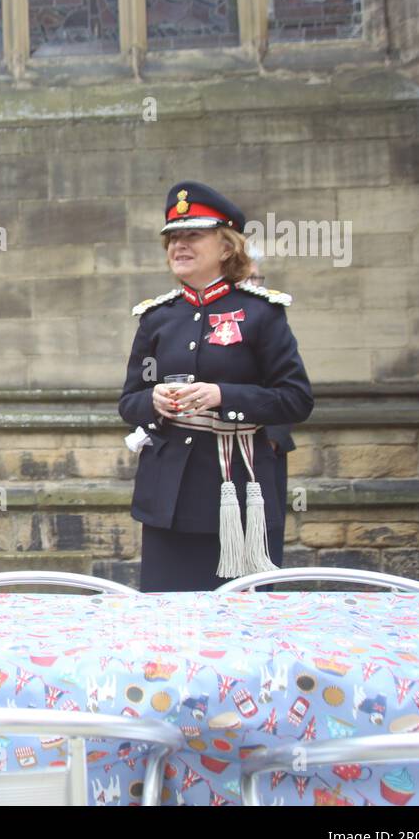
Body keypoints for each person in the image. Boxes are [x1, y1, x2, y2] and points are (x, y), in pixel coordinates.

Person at [120, 182, 313, 591]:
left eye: (192, 235)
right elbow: (129, 402)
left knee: (244, 622)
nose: (179, 245)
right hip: (169, 497)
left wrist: (223, 396)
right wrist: (152, 401)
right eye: (172, 237)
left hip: (241, 495)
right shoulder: (157, 318)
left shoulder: (262, 314)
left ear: (227, 247)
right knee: (167, 619)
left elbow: (296, 399)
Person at [248, 250, 297, 516]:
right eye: (248, 278)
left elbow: (289, 386)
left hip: (263, 445)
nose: (255, 285)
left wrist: (272, 440)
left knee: (264, 533)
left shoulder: (270, 317)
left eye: (257, 278)